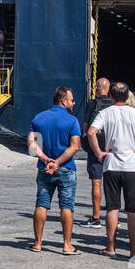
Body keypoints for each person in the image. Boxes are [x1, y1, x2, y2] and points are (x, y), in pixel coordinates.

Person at [87, 81, 135, 259]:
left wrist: (99, 152)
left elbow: (91, 132)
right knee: (133, 210)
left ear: (112, 96)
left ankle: (111, 247)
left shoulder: (105, 113)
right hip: (133, 165)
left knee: (112, 208)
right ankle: (134, 249)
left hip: (112, 164)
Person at [28, 87, 82, 255]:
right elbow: (75, 146)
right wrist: (57, 162)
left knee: (41, 203)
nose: (73, 103)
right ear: (64, 101)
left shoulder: (39, 118)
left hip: (44, 168)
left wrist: (45, 159)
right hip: (65, 168)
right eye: (72, 100)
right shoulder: (72, 121)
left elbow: (31, 144)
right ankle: (67, 245)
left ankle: (37, 243)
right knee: (66, 206)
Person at [81, 77, 112, 228]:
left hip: (95, 148)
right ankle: (113, 216)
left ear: (97, 88)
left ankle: (96, 217)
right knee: (112, 183)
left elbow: (86, 127)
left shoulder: (92, 104)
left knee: (96, 182)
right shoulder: (114, 106)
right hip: (111, 148)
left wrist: (87, 144)